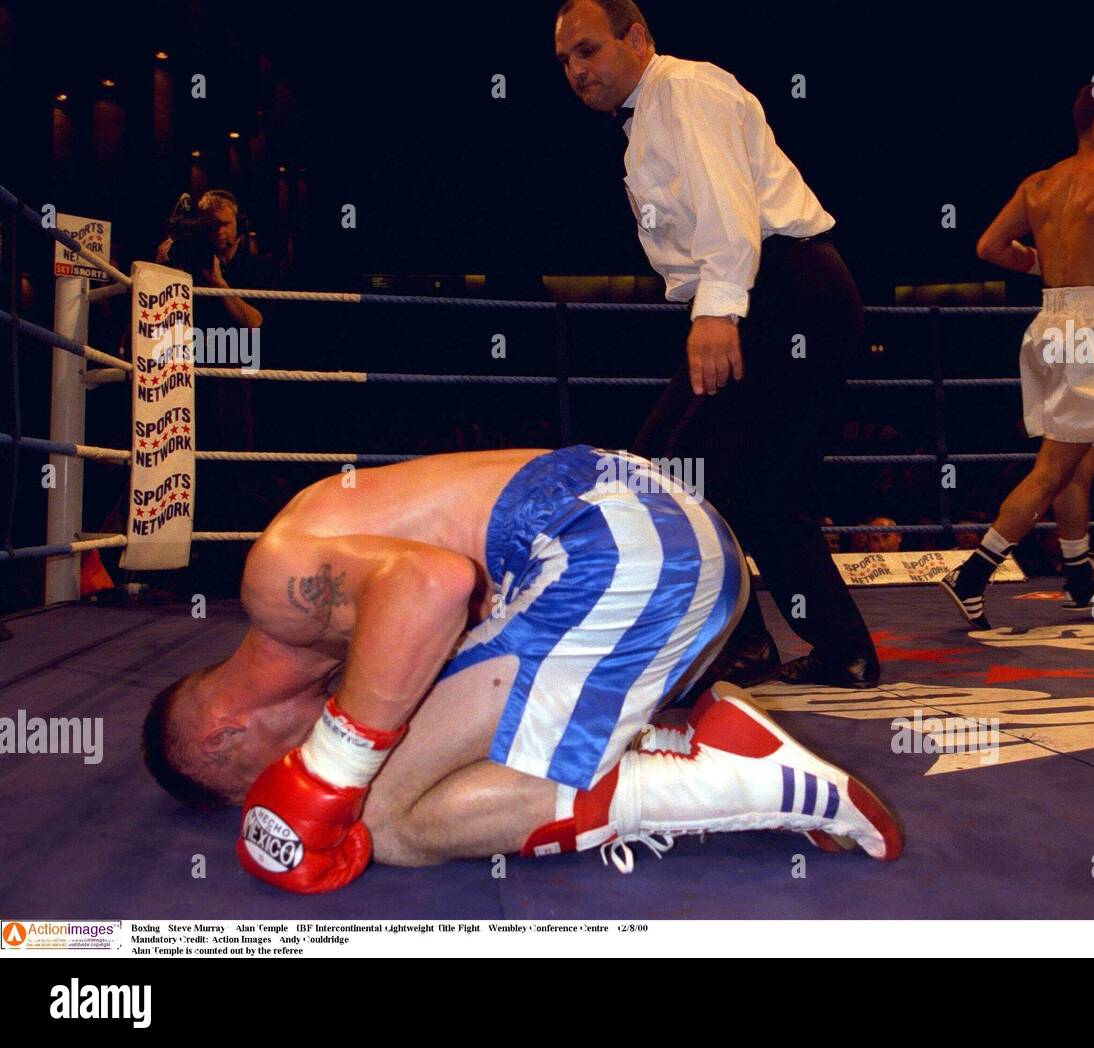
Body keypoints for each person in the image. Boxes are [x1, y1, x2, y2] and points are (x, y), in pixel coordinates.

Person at [142, 448, 901, 893]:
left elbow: (435, 582)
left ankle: (745, 778)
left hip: (610, 547)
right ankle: (677, 753)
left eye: (263, 773)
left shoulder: (275, 584)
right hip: (678, 551)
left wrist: (329, 770)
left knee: (378, 817)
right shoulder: (346, 628)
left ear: (221, 737)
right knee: (413, 770)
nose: (287, 769)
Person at [554, 0, 880, 691]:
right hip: (766, 294)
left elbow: (729, 209)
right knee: (716, 476)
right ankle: (826, 647)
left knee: (682, 473)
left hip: (779, 289)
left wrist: (720, 314)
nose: (576, 71)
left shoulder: (684, 89)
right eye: (565, 62)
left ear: (635, 37)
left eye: (588, 51)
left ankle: (757, 643)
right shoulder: (643, 122)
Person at [938, 80, 1094, 629]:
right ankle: (973, 571)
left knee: (1076, 462)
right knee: (1054, 467)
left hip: (1047, 324)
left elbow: (989, 247)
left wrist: (1052, 264)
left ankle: (1080, 577)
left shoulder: (1039, 182)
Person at [157, 189, 276, 595]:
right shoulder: (182, 257)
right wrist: (162, 268)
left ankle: (227, 575)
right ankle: (174, 570)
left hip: (231, 377)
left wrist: (218, 283)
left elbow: (255, 320)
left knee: (231, 470)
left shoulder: (255, 263)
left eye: (222, 224)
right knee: (180, 467)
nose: (216, 232)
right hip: (182, 373)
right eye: (208, 225)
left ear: (237, 225)